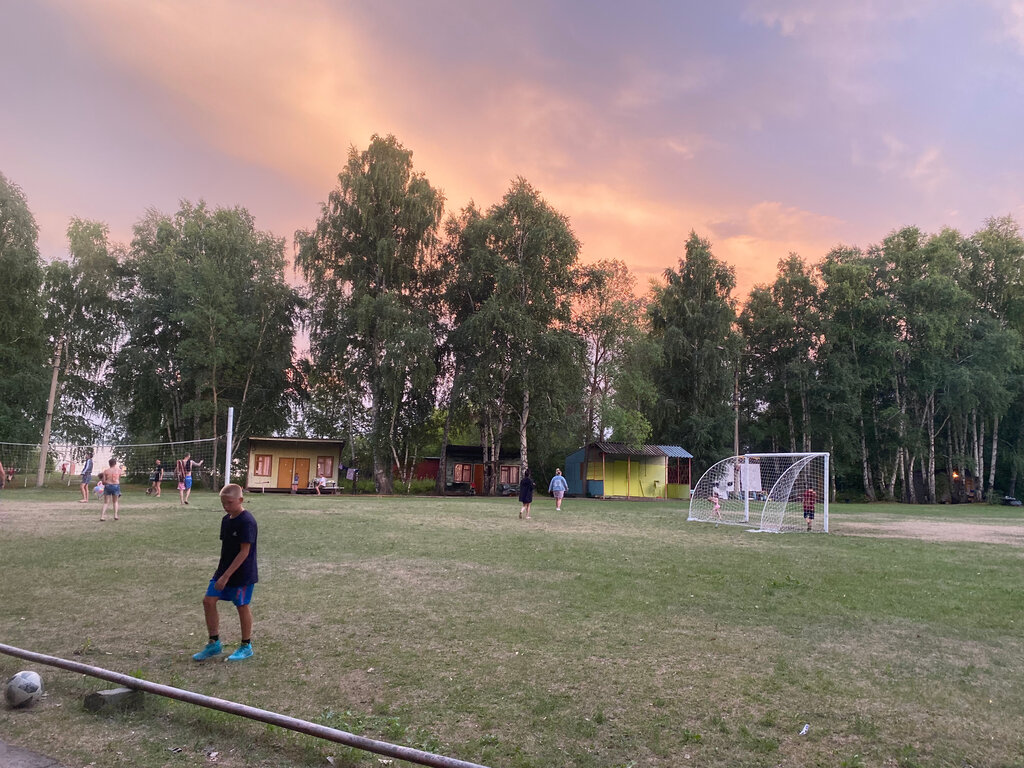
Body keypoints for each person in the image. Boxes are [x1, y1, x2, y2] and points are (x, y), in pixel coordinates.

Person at [192, 484, 258, 662]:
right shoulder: (226, 520)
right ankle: (214, 643)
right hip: (223, 571)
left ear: (240, 500)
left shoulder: (247, 521)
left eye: (229, 503)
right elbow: (227, 549)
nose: (226, 506)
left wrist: (227, 576)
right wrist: (221, 573)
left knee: (241, 605)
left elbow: (244, 552)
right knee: (208, 601)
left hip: (242, 573)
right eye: (223, 503)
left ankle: (246, 646)